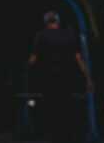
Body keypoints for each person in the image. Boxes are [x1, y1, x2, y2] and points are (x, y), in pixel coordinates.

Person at [28, 10, 93, 143]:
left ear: (46, 22)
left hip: (49, 77)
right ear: (58, 21)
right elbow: (79, 59)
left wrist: (26, 72)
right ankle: (67, 137)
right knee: (66, 109)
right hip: (66, 76)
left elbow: (33, 59)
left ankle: (55, 137)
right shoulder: (68, 35)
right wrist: (88, 79)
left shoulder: (41, 35)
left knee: (52, 110)